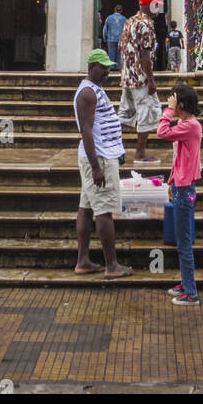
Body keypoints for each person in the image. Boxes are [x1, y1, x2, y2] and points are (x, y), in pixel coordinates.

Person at [73, 49, 131, 279]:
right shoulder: (88, 93)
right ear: (92, 67)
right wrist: (96, 166)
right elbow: (86, 130)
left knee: (86, 208)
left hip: (104, 154)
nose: (108, 71)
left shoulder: (94, 90)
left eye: (109, 66)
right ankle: (112, 265)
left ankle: (83, 260)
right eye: (103, 67)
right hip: (99, 159)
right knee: (104, 211)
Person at [157, 83, 202, 305]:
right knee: (181, 241)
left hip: (185, 190)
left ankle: (191, 292)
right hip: (180, 186)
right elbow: (179, 159)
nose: (170, 104)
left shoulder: (191, 126)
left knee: (184, 242)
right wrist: (171, 181)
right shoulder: (186, 124)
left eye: (173, 101)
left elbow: (161, 132)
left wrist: (167, 112)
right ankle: (185, 283)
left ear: (180, 104)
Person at [118, 0, 160, 164]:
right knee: (147, 112)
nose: (158, 9)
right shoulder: (146, 24)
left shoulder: (130, 21)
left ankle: (114, 149)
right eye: (156, 5)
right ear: (148, 6)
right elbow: (145, 54)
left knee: (124, 114)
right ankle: (140, 154)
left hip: (127, 76)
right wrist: (150, 79)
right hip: (140, 78)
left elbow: (123, 46)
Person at [102, 3, 127, 69]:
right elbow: (127, 30)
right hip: (120, 39)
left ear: (114, 10)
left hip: (111, 39)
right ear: (121, 11)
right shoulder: (124, 19)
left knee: (111, 54)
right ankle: (118, 68)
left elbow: (105, 29)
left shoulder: (109, 18)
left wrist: (105, 38)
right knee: (119, 54)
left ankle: (111, 68)